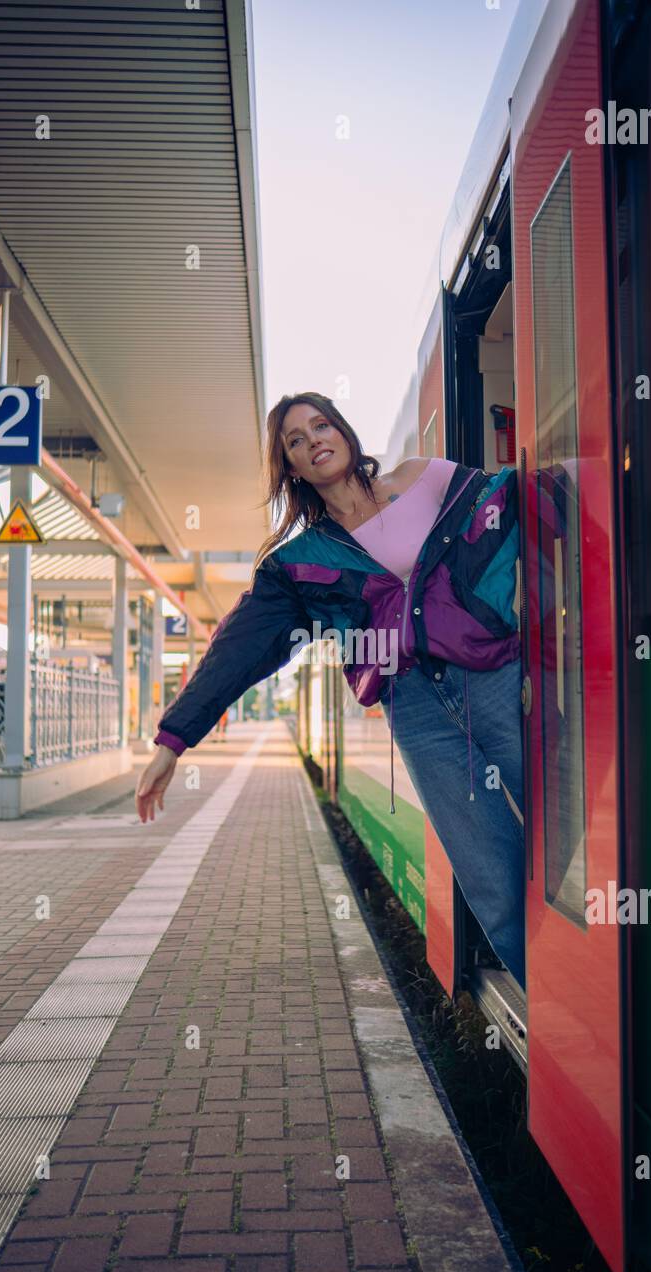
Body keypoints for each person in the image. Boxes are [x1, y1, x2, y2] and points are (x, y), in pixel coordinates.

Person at [135, 391, 525, 988]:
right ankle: (564, 1031)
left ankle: (609, 992)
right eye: (296, 439)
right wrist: (172, 740)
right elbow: (239, 648)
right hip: (417, 712)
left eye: (321, 425)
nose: (314, 439)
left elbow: (519, 506)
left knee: (573, 830)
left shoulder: (423, 478)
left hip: (494, 677)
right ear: (290, 466)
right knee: (492, 878)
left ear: (343, 431)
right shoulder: (300, 562)